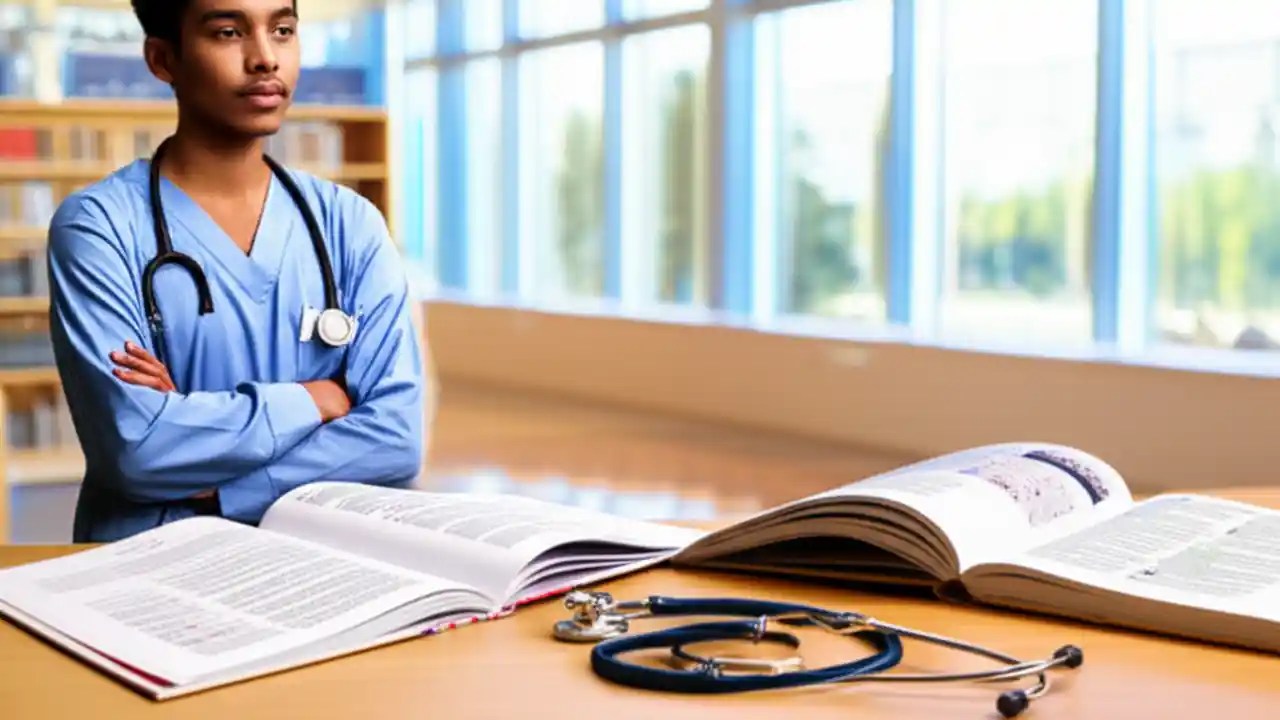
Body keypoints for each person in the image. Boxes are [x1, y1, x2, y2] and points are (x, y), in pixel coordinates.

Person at [45, 0, 426, 543]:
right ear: (162, 58)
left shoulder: (349, 225)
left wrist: (219, 477)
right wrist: (314, 400)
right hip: (149, 567)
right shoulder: (99, 226)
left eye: (283, 30)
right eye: (228, 32)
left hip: (323, 565)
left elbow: (395, 437)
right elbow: (140, 449)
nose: (265, 58)